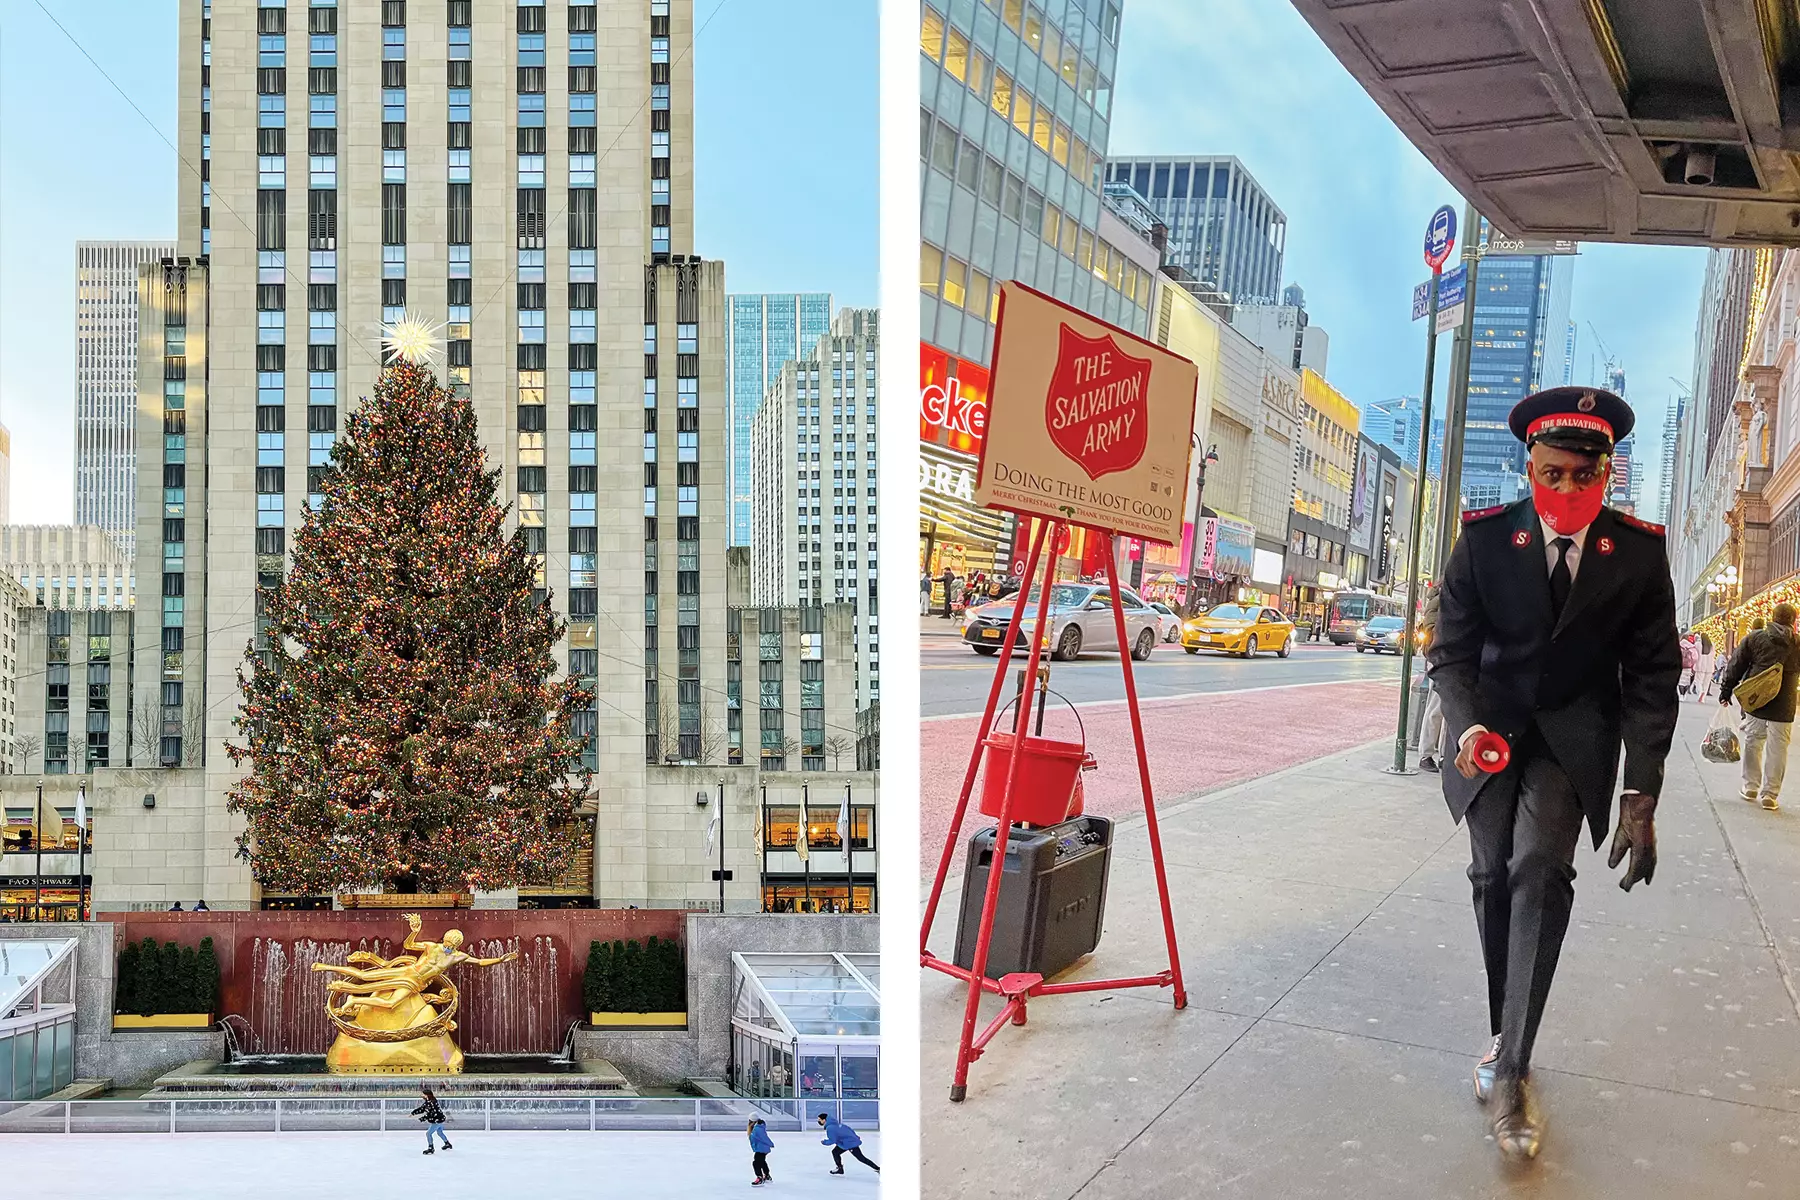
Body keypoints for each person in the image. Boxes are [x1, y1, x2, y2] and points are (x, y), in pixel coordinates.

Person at [1427, 386, 1678, 1162]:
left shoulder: (1636, 553)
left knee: (1539, 869)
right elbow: (1450, 652)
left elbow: (1652, 673)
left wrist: (1642, 788)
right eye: (1552, 473)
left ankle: (1511, 1067)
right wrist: (1465, 724)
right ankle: (1509, 1028)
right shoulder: (1482, 540)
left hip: (1573, 740)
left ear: (1609, 473)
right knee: (1489, 876)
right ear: (1528, 466)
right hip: (1490, 734)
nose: (1567, 490)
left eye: (1584, 474)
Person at [1720, 602, 1800, 812]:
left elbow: (1736, 664)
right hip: (1785, 704)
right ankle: (1770, 794)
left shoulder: (1755, 637)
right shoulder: (1797, 642)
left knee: (1753, 742)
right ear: (1793, 620)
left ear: (1772, 617)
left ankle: (1751, 787)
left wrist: (1726, 690)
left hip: (1757, 699)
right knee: (1778, 748)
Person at [1418, 582, 1446, 773]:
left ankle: (1443, 755)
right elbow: (1433, 631)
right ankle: (1427, 754)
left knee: (1447, 712)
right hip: (1442, 659)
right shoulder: (1438, 603)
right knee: (1436, 709)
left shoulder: (1443, 601)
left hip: (1448, 658)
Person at [413, 1085, 451, 1154]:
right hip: (439, 1119)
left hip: (437, 1120)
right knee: (440, 1132)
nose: (422, 1095)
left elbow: (431, 1113)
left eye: (423, 1094)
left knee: (428, 1134)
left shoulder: (432, 1102)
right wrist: (413, 1113)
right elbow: (422, 1109)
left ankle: (431, 1148)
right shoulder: (429, 1101)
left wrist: (423, 1118)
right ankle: (447, 1144)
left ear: (427, 1095)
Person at [748, 1117, 774, 1186]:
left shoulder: (757, 1129)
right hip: (761, 1148)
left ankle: (759, 1177)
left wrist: (770, 1144)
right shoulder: (758, 1127)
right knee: (761, 1161)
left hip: (761, 1148)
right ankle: (767, 1176)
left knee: (756, 1162)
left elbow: (764, 1138)